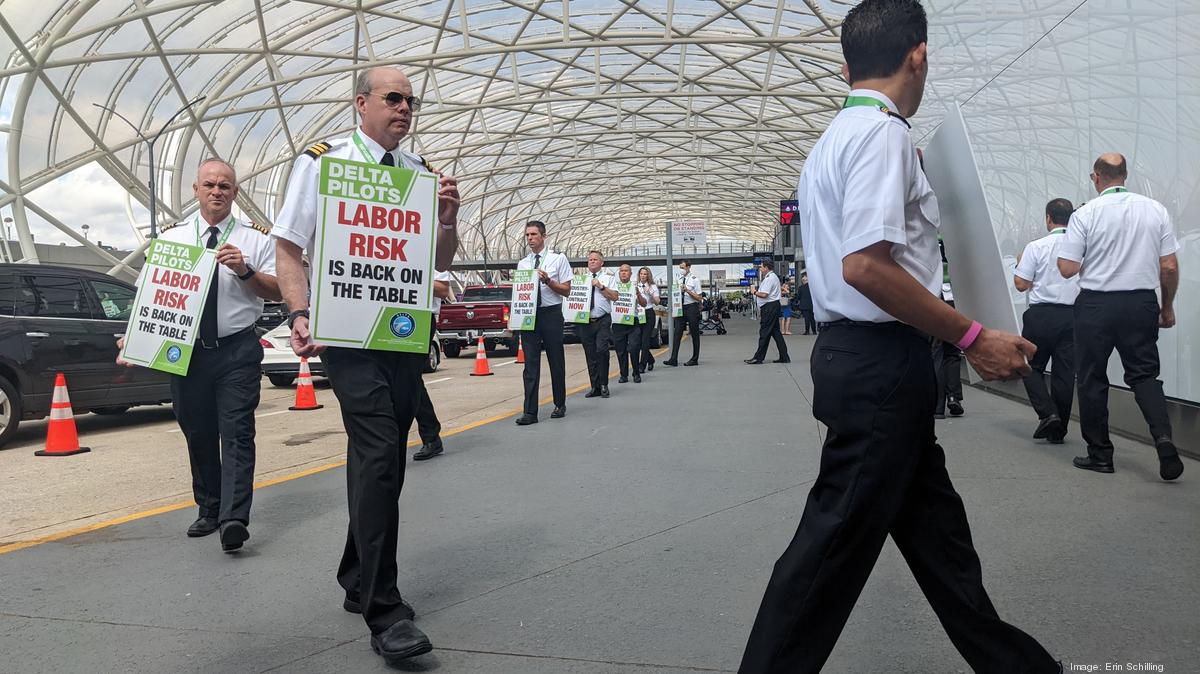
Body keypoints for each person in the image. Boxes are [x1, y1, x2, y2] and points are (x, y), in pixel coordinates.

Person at [739, 2, 1058, 672]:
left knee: (941, 545)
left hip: (862, 361)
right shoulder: (882, 136)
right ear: (919, 54)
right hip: (880, 365)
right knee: (826, 552)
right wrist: (972, 335)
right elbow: (866, 267)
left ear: (845, 63)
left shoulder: (835, 137)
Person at [272, 65, 461, 664]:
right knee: (379, 451)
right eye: (393, 98)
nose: (405, 108)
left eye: (411, 101)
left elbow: (437, 257)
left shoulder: (417, 175)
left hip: (402, 332)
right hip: (346, 333)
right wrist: (300, 312)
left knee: (384, 456)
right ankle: (385, 610)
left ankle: (356, 574)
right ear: (362, 103)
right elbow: (288, 245)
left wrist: (449, 219)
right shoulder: (323, 161)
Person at [118, 158, 279, 553]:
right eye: (209, 184)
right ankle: (209, 507)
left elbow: (277, 290)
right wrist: (134, 337)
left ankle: (234, 518)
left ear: (235, 193)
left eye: (225, 185)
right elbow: (150, 296)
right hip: (185, 353)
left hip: (236, 350)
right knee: (198, 431)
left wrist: (245, 271)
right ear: (196, 189)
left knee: (238, 433)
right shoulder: (171, 240)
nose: (217, 191)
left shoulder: (256, 239)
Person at [1057, 153, 1184, 480]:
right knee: (1144, 375)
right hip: (1140, 303)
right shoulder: (1155, 210)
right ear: (1125, 175)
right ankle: (1164, 440)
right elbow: (1168, 266)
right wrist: (1166, 306)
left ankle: (1100, 455)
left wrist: (1097, 262)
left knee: (1091, 378)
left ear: (1095, 177)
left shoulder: (1085, 213)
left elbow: (1067, 268)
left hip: (1096, 306)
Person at [1014, 198, 1080, 444]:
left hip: (1042, 315)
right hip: (1073, 315)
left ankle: (1048, 413)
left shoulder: (1036, 246)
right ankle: (1058, 429)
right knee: (1064, 373)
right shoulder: (1081, 247)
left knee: (1028, 365)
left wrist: (1022, 264)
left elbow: (1021, 285)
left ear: (1048, 218)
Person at [513, 220, 572, 424]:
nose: (530, 238)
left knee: (556, 360)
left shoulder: (558, 259)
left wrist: (548, 281)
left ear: (543, 236)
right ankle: (530, 412)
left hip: (551, 314)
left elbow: (567, 290)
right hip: (529, 315)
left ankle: (559, 403)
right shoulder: (523, 264)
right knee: (530, 364)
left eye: (534, 235)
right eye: (527, 235)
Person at [412, 270, 453, 460]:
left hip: (418, 318)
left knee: (409, 379)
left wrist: (400, 275)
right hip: (386, 315)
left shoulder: (428, 248)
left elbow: (443, 290)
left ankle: (431, 436)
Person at [932, 237, 965, 418]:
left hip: (934, 298)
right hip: (953, 298)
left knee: (936, 352)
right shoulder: (952, 238)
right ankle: (954, 397)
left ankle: (937, 406)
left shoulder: (927, 238)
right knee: (952, 352)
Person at [581, 250, 619, 398]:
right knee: (590, 354)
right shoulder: (582, 279)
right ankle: (594, 386)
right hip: (585, 321)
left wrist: (601, 287)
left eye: (595, 259)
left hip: (602, 319)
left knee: (602, 350)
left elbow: (615, 297)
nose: (592, 262)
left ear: (601, 263)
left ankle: (604, 384)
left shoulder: (608, 278)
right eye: (590, 259)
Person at [745, 259, 790, 365]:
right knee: (776, 333)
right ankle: (784, 356)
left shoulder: (770, 278)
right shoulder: (772, 277)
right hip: (773, 307)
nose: (760, 269)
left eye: (761, 267)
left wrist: (754, 292)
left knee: (764, 333)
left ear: (766, 268)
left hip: (769, 308)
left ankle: (758, 358)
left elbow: (764, 294)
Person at [663, 259, 702, 366]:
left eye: (683, 268)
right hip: (680, 308)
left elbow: (699, 297)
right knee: (677, 333)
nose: (681, 270)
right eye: (680, 267)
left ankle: (695, 358)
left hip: (691, 307)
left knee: (694, 333)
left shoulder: (695, 279)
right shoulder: (678, 279)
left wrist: (688, 290)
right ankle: (673, 358)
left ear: (688, 267)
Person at [611, 264, 645, 384]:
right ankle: (623, 375)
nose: (624, 273)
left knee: (634, 347)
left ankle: (636, 372)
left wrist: (638, 294)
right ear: (619, 273)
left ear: (630, 273)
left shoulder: (635, 286)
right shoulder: (613, 286)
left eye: (626, 271)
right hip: (618, 322)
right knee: (620, 350)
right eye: (621, 271)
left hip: (633, 322)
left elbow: (644, 303)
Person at [636, 266, 659, 373]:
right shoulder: (635, 285)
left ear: (648, 275)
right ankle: (651, 359)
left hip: (649, 313)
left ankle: (642, 364)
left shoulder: (652, 286)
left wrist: (649, 291)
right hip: (638, 313)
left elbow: (657, 301)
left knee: (645, 340)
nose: (643, 276)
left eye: (645, 274)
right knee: (639, 341)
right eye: (641, 274)